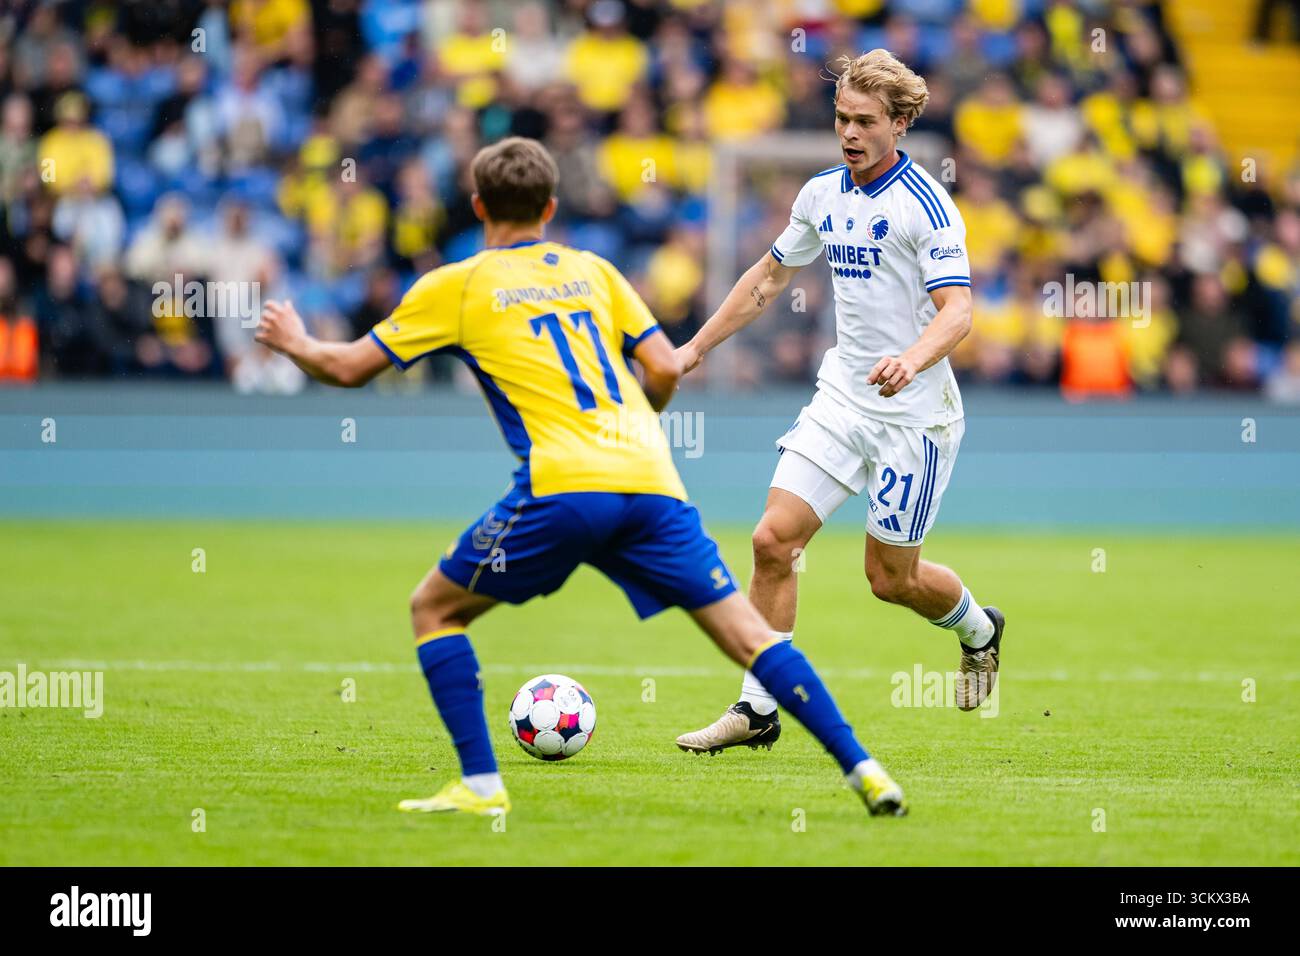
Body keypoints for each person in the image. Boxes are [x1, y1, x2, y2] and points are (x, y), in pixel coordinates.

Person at [253, 136, 908, 818]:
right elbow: (661, 367)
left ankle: (480, 787)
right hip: (652, 479)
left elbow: (352, 368)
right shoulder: (593, 270)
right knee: (750, 636)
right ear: (551, 207)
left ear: (478, 206)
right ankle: (865, 771)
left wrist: (298, 343)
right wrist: (636, 424)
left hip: (562, 487)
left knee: (435, 609)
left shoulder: (457, 284)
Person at [674, 50, 1006, 756]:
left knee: (891, 580)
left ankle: (980, 630)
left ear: (902, 123)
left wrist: (911, 360)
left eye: (864, 121)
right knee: (772, 541)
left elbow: (958, 313)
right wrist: (692, 352)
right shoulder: (822, 193)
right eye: (840, 118)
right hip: (842, 399)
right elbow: (767, 280)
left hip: (915, 416)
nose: (848, 133)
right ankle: (758, 709)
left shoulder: (928, 206)